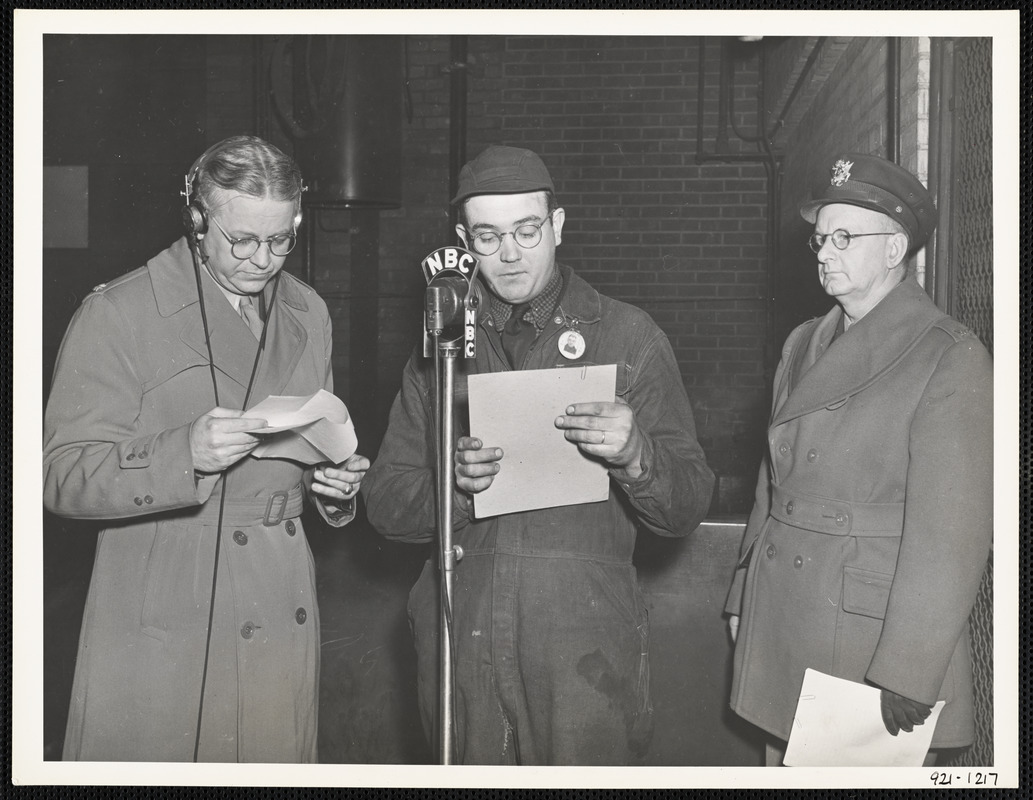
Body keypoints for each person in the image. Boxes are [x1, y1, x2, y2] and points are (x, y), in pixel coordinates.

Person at [363, 145, 715, 765]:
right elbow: (386, 504)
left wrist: (637, 456)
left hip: (583, 648)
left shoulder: (628, 337)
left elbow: (687, 504)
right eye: (488, 236)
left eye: (527, 231)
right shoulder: (440, 349)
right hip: (463, 637)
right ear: (463, 241)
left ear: (557, 225)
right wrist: (455, 488)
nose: (509, 253)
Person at [43, 135, 370, 762]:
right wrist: (183, 454)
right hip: (169, 590)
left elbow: (305, 444)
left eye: (280, 240)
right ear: (196, 221)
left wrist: (328, 487)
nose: (262, 260)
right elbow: (58, 474)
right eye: (241, 240)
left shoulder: (309, 311)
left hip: (278, 583)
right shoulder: (120, 312)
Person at [724, 153, 993, 765]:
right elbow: (773, 486)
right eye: (821, 239)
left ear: (895, 249)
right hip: (787, 614)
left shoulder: (948, 356)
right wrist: (744, 592)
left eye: (844, 238)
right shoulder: (804, 342)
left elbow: (951, 534)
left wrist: (909, 668)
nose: (824, 253)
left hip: (866, 635)